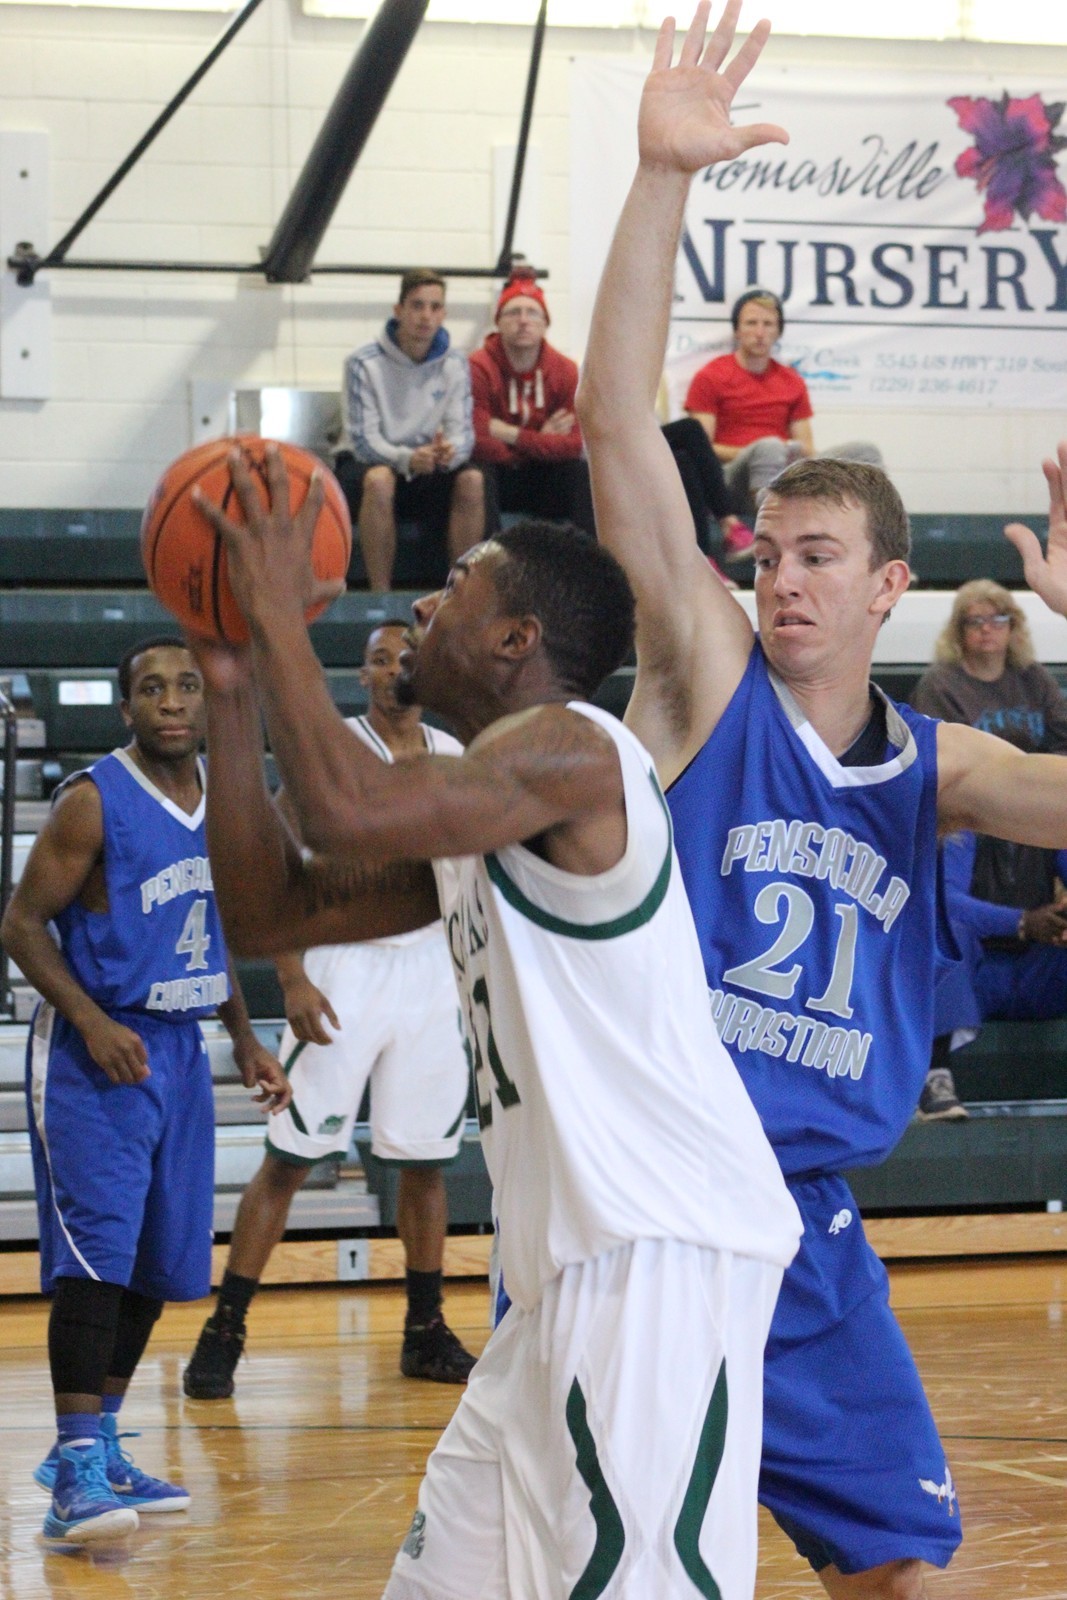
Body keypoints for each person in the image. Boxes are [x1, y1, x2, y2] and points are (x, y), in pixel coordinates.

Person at [576, 6, 1067, 1596]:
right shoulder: (704, 681)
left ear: (888, 591)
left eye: (813, 557)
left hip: (803, 1233)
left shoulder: (941, 767)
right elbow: (609, 423)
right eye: (765, 553)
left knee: (904, 1573)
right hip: (648, 1216)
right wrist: (660, 180)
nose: (776, 581)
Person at [188, 435, 803, 1598]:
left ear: (517, 640)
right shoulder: (482, 810)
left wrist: (275, 615)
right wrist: (229, 683)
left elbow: (345, 800)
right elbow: (265, 907)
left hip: (655, 1269)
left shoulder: (572, 753)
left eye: (454, 582)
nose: (423, 598)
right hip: (552, 1290)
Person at [0, 637, 290, 1547]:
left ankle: (103, 1443)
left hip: (181, 1048)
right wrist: (88, 1019)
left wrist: (242, 1036)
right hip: (98, 1051)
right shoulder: (93, 800)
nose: (171, 701)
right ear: (126, 707)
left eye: (187, 686)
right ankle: (72, 1474)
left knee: (159, 1266)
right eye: (151, 689)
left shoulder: (226, 805)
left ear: (207, 706)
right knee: (95, 1262)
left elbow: (212, 928)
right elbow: (20, 922)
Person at [182, 622, 475, 1397]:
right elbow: (268, 863)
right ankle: (226, 1329)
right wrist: (293, 978)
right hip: (341, 968)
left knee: (424, 1162)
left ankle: (424, 1328)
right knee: (290, 1156)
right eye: (379, 658)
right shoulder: (331, 750)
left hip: (431, 973)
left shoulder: (455, 755)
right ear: (362, 676)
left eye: (406, 657)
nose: (394, 668)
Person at [912, 582, 1067, 1117]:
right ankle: (934, 1082)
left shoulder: (1034, 684)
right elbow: (950, 906)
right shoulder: (962, 813)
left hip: (1037, 966)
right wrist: (1023, 921)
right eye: (974, 621)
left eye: (997, 620)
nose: (986, 631)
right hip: (976, 962)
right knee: (937, 934)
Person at [335, 268, 485, 590]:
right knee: (379, 480)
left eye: (434, 307)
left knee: (473, 479)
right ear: (399, 310)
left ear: (443, 313)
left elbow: (463, 433)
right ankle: (380, 594)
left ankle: (462, 591)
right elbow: (364, 442)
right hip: (375, 463)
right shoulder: (363, 363)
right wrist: (407, 459)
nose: (425, 316)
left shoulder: (456, 363)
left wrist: (451, 453)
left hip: (427, 463)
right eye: (417, 305)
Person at [684, 286, 884, 520]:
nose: (760, 332)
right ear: (737, 330)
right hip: (733, 477)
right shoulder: (711, 376)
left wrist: (791, 454)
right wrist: (758, 451)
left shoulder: (791, 379)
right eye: (751, 323)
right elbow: (703, 450)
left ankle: (875, 530)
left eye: (768, 324)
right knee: (770, 447)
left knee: (865, 451)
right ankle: (767, 527)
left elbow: (806, 447)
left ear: (778, 332)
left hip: (784, 469)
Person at [469, 275, 597, 537]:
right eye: (514, 312)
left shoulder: (565, 369)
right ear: (498, 323)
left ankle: (589, 566)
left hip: (542, 475)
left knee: (582, 473)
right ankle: (489, 566)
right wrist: (540, 441)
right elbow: (477, 439)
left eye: (532, 313)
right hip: (500, 473)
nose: (523, 320)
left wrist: (510, 434)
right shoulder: (478, 365)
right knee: (478, 473)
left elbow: (573, 445)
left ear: (545, 323)